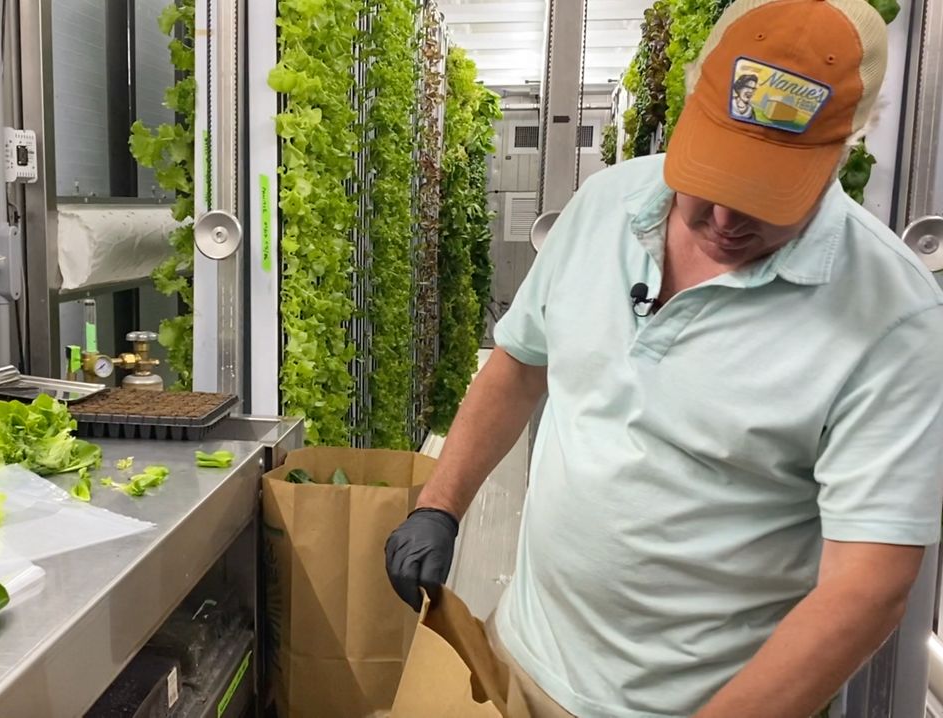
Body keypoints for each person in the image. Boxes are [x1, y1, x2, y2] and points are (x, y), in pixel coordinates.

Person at [385, 1, 943, 717]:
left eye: (767, 194)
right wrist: (439, 506)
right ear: (690, 110)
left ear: (841, 151)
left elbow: (867, 586)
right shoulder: (605, 206)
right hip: (521, 662)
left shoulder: (892, 319)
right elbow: (520, 366)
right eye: (713, 174)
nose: (726, 218)